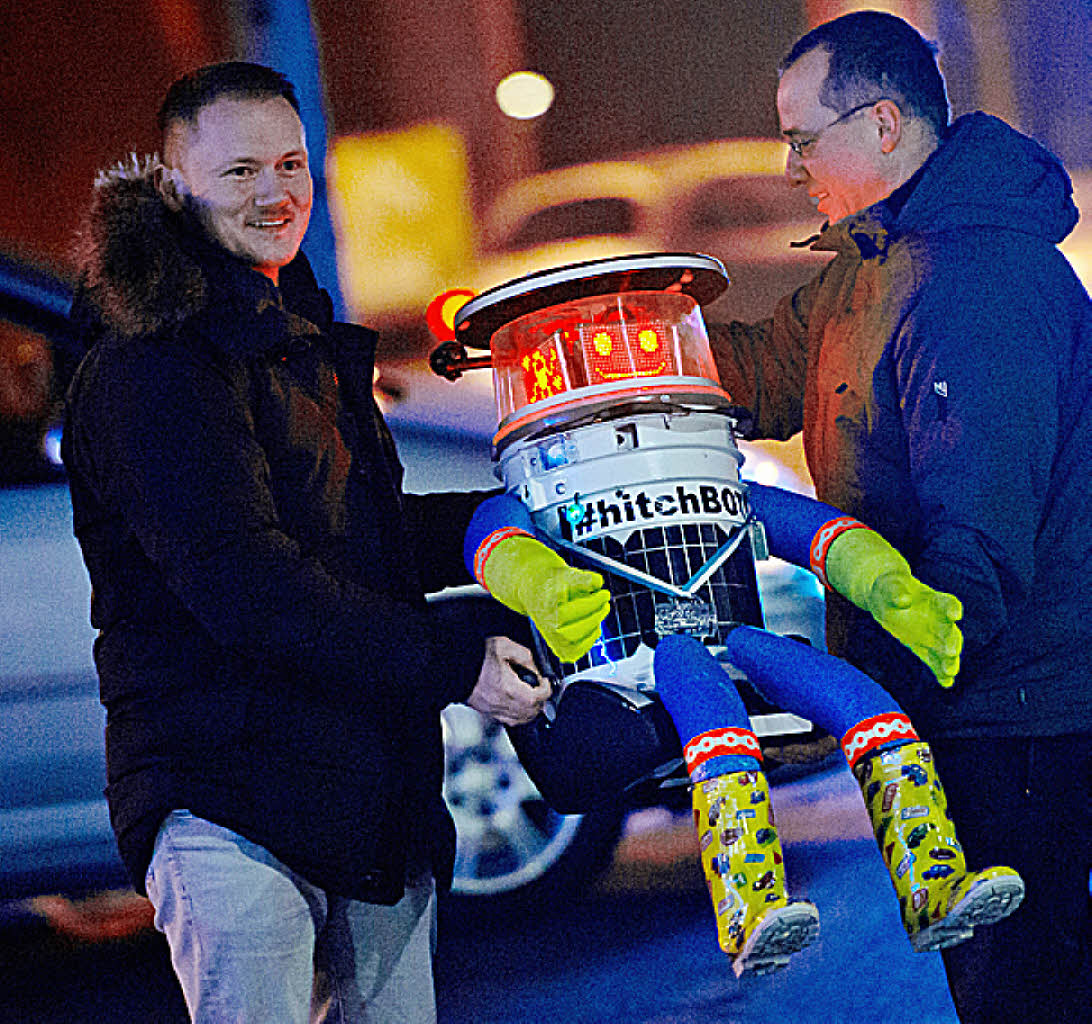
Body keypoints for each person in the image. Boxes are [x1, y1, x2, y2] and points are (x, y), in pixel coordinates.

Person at [61, 61, 608, 1024]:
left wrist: (526, 520)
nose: (275, 194)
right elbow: (252, 590)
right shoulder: (152, 368)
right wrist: (454, 659)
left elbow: (369, 538)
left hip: (366, 791)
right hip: (228, 799)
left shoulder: (297, 332)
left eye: (291, 164)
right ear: (173, 183)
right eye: (239, 173)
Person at [707, 10, 1091, 1022]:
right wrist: (620, 339)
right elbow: (764, 369)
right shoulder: (874, 264)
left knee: (1029, 993)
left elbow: (976, 565)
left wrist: (853, 695)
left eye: (802, 136)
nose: (790, 165)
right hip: (964, 716)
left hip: (1023, 729)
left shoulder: (973, 284)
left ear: (883, 124)